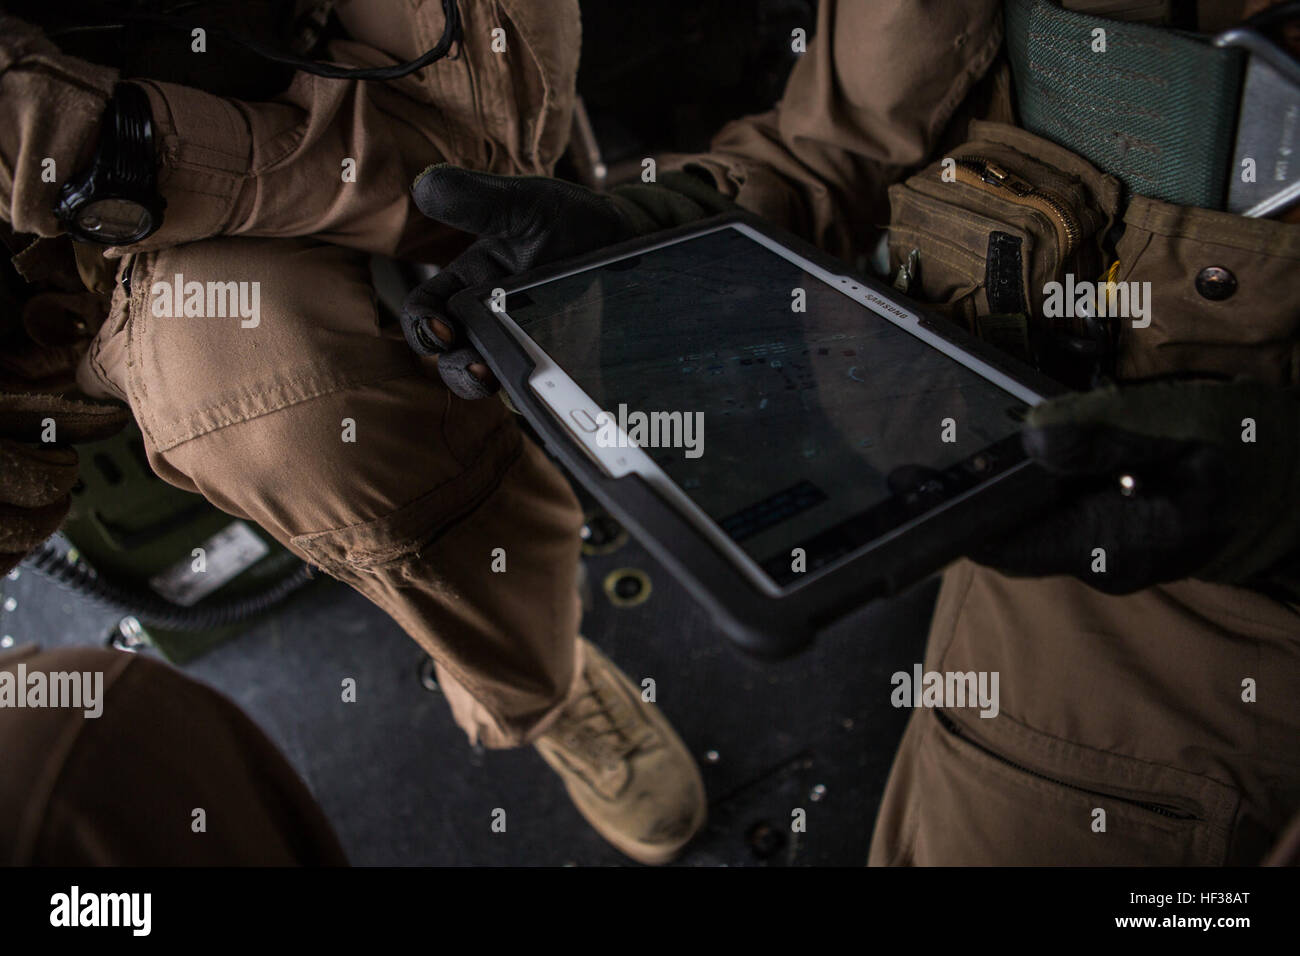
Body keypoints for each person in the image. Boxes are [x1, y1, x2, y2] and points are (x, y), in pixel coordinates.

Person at [397, 0, 1300, 864]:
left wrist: (1279, 498)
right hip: (976, 414)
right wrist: (655, 228)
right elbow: (833, 145)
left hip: (1241, 580)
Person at [0, 0, 705, 866]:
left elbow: (466, 136)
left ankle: (535, 653)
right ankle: (541, 689)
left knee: (332, 354)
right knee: (269, 399)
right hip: (95, 269)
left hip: (361, 102)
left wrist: (124, 147)